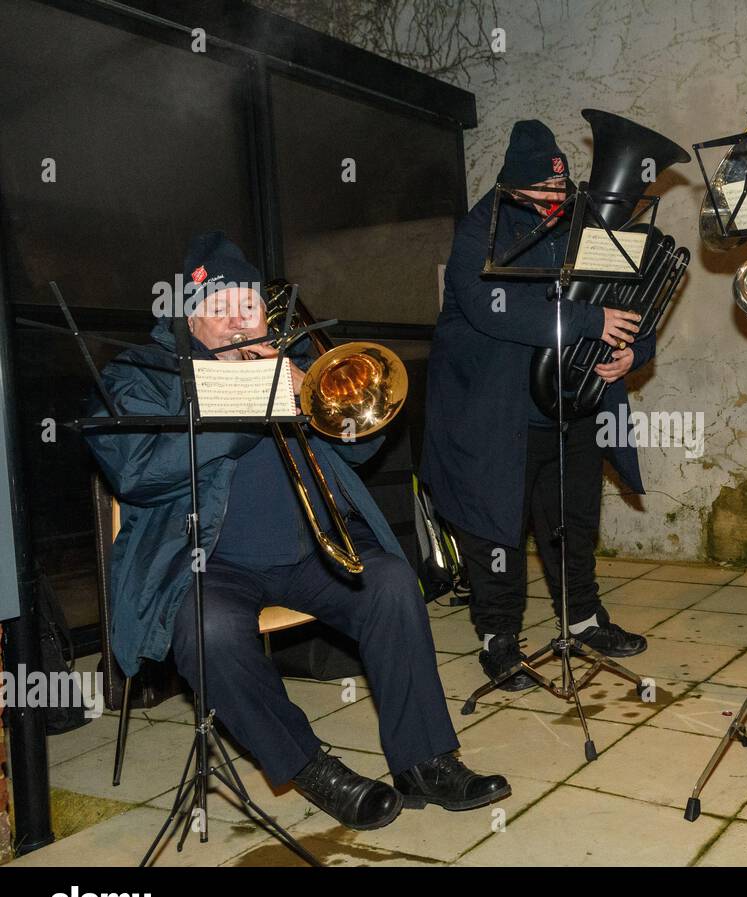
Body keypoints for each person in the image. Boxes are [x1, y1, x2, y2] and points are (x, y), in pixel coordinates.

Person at [85, 231, 509, 831]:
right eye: (219, 308)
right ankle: (310, 767)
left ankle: (425, 761)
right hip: (208, 562)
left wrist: (350, 414)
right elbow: (133, 473)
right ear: (188, 315)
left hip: (312, 549)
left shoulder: (293, 362)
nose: (238, 323)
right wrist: (244, 412)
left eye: (249, 306)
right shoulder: (143, 374)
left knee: (391, 581)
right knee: (207, 630)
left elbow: (358, 458)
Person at [422, 119, 653, 692]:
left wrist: (632, 353)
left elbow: (626, 298)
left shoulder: (582, 223)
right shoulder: (482, 228)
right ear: (512, 188)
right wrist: (587, 320)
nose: (556, 201)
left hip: (570, 404)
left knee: (573, 520)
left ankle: (583, 617)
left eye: (562, 190)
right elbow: (489, 306)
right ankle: (498, 639)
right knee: (498, 529)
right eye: (544, 193)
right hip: (497, 412)